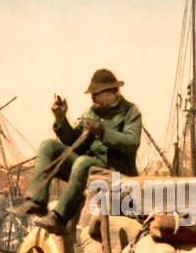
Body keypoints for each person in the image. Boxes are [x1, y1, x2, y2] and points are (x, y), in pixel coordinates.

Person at [12, 67, 143, 236]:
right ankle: (36, 200)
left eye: (96, 94)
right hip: (86, 169)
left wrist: (102, 132)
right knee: (48, 146)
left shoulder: (131, 112)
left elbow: (131, 143)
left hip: (116, 174)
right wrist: (61, 118)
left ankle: (58, 219)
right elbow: (73, 143)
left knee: (83, 162)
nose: (92, 98)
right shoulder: (92, 112)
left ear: (111, 93)